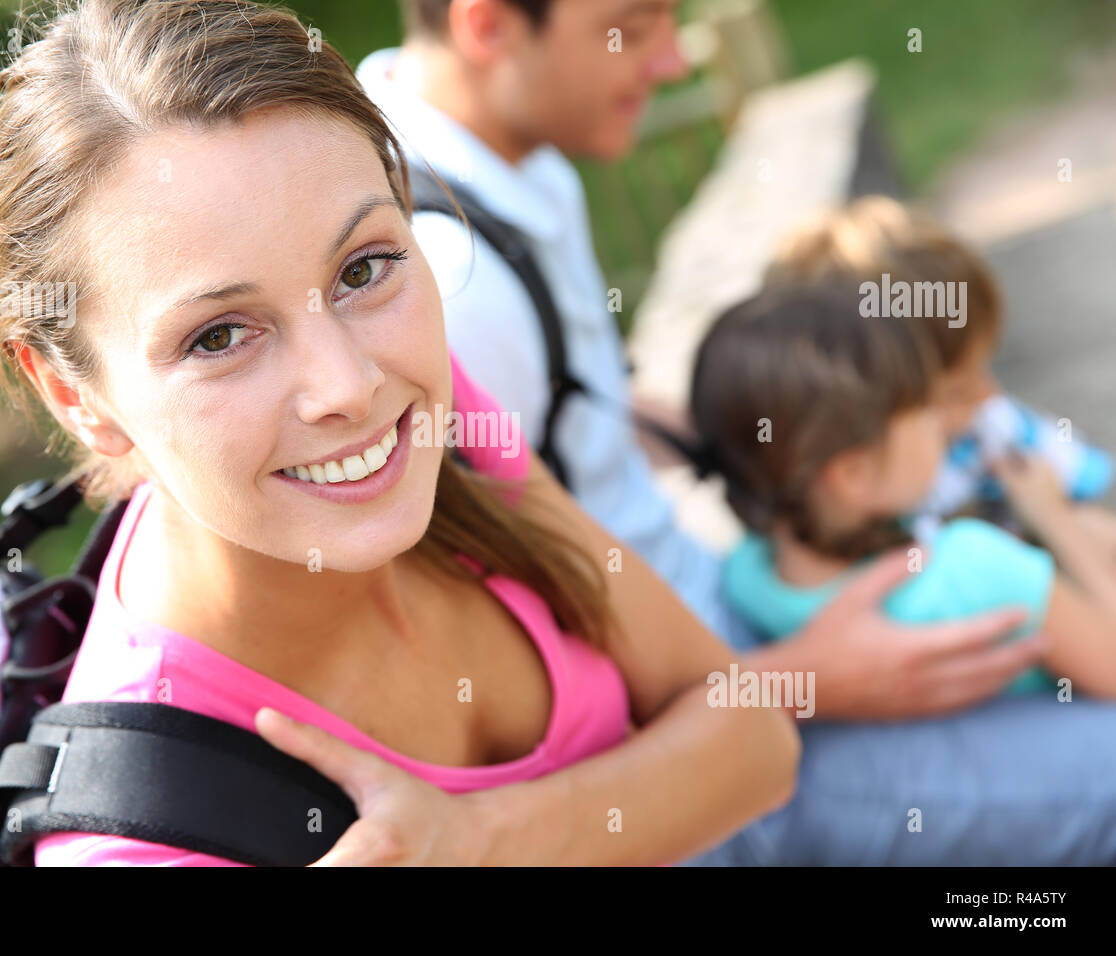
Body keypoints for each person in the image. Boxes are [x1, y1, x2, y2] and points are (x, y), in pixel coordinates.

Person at [0, 0, 799, 866]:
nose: (350, 386)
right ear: (73, 393)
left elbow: (755, 736)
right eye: (218, 336)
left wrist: (480, 843)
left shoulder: (442, 416)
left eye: (364, 268)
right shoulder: (136, 847)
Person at [359, 0, 1116, 863]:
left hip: (735, 629)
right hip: (713, 745)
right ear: (489, 26)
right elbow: (520, 695)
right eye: (632, 28)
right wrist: (810, 680)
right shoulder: (451, 286)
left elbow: (589, 422)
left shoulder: (519, 169)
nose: (675, 61)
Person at [690, 281, 1116, 699]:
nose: (944, 422)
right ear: (854, 475)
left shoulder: (749, 574)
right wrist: (1055, 518)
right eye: (925, 409)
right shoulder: (978, 570)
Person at [765, 195, 1114, 536]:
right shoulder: (875, 506)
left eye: (981, 366)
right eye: (956, 392)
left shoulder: (994, 427)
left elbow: (1090, 503)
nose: (986, 394)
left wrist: (1056, 514)